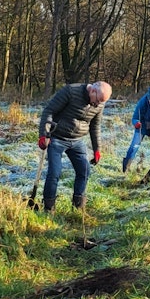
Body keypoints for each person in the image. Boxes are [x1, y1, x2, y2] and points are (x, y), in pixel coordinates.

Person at [37, 81, 113, 213]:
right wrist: (44, 135)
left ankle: (78, 207)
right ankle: (49, 209)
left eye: (102, 102)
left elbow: (95, 126)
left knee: (84, 171)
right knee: (54, 173)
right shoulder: (71, 91)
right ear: (93, 91)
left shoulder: (99, 103)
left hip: (77, 140)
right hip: (57, 137)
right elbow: (49, 111)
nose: (98, 104)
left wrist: (97, 149)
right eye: (98, 100)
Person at [122, 86, 150, 173]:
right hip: (143, 126)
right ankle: (126, 168)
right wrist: (137, 123)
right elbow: (135, 118)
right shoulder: (142, 103)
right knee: (134, 146)